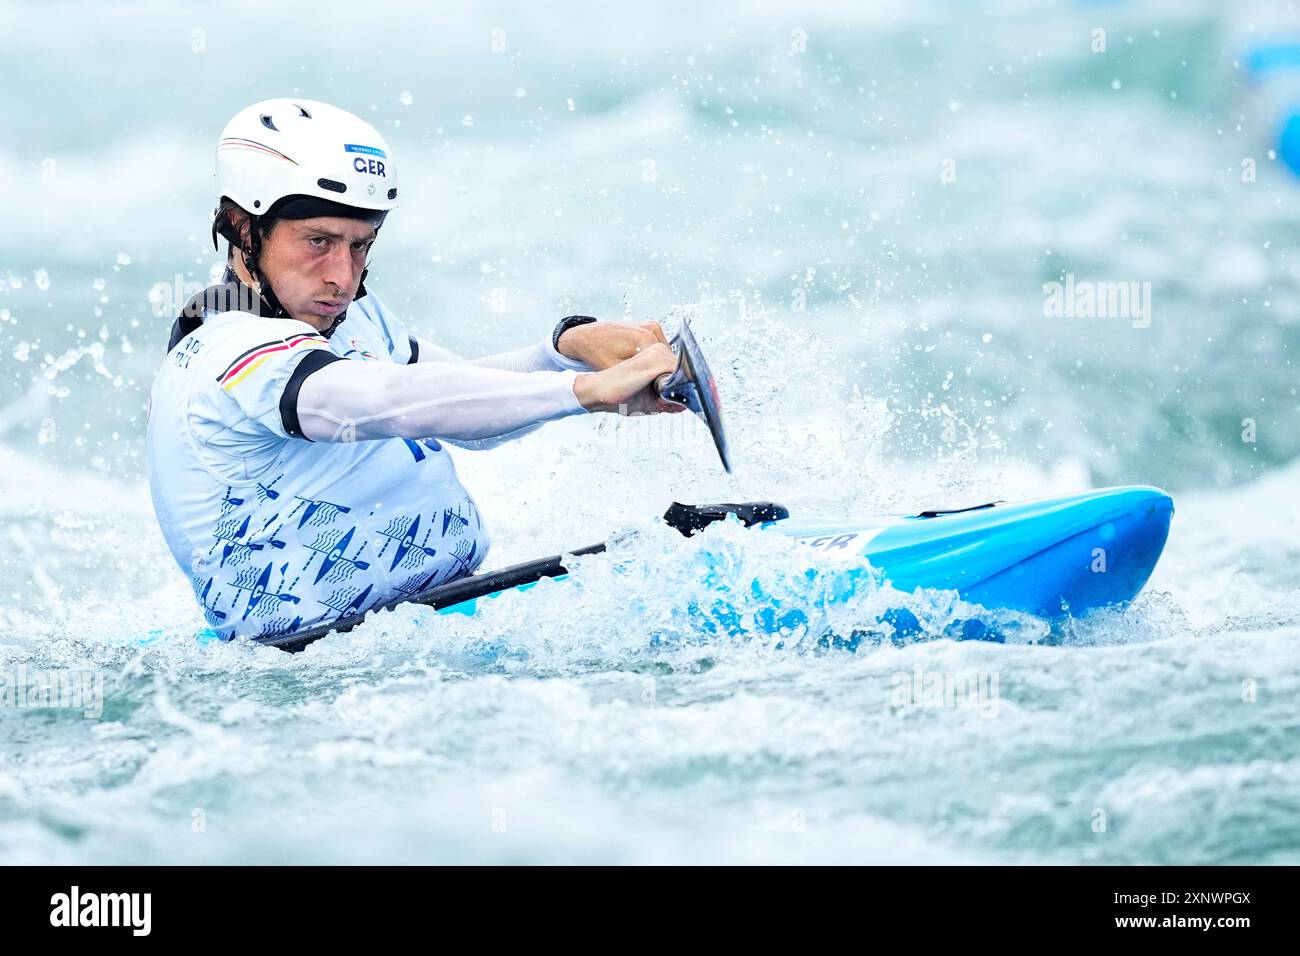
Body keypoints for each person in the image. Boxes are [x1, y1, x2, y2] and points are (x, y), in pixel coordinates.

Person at [146, 98, 681, 643]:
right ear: (242, 227)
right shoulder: (230, 353)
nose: (343, 277)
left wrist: (564, 350)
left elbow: (460, 401)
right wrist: (583, 391)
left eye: (360, 246)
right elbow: (385, 401)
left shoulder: (347, 314)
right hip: (321, 668)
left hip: (421, 626)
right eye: (319, 242)